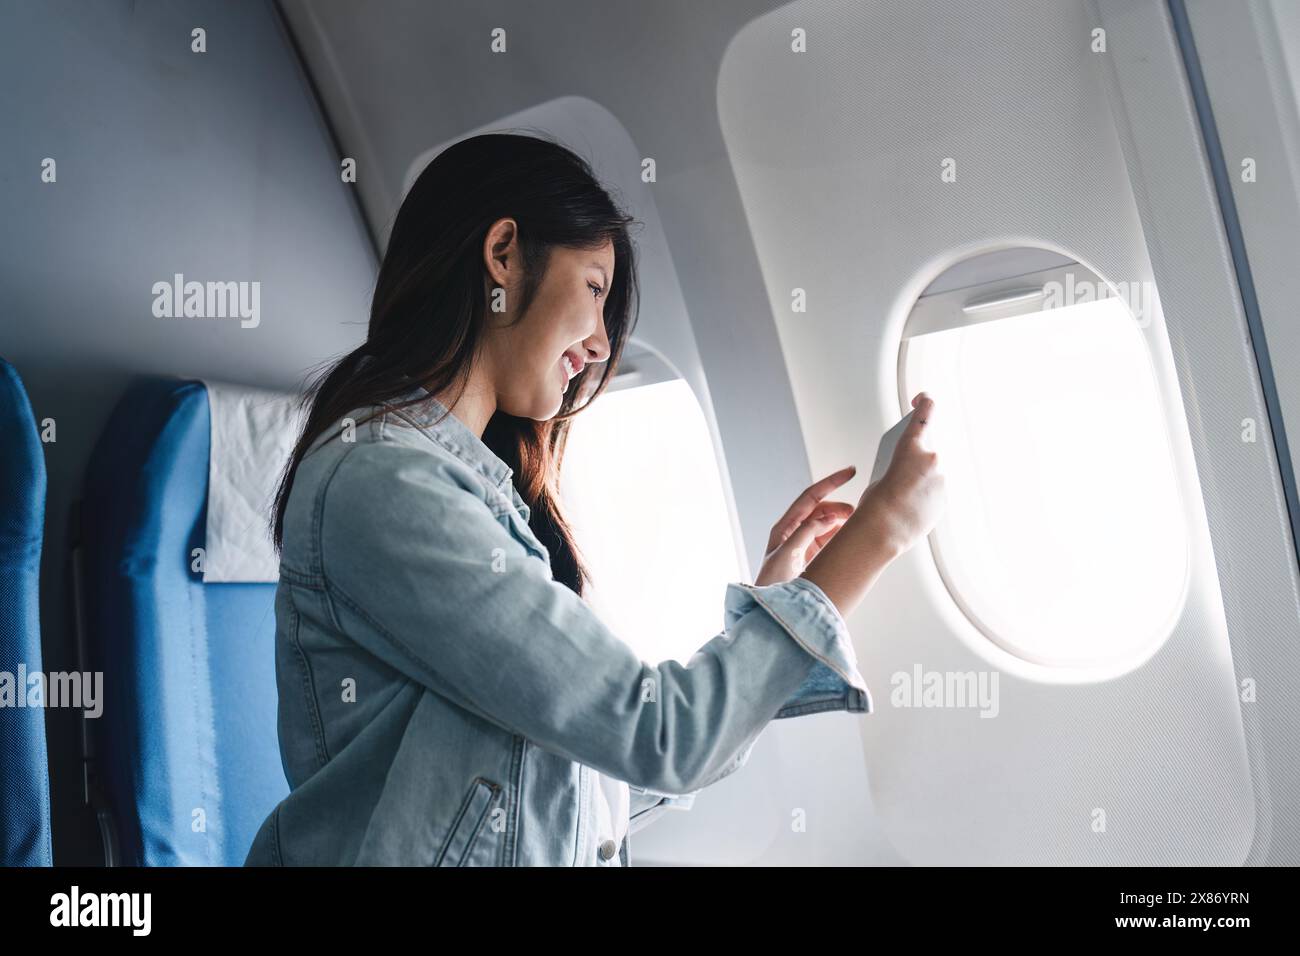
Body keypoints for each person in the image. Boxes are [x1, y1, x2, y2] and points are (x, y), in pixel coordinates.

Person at [244, 131, 944, 867]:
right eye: (595, 288)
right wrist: (882, 529)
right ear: (504, 254)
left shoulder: (470, 490)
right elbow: (660, 738)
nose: (604, 346)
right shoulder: (384, 482)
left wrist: (780, 598)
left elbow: (590, 767)